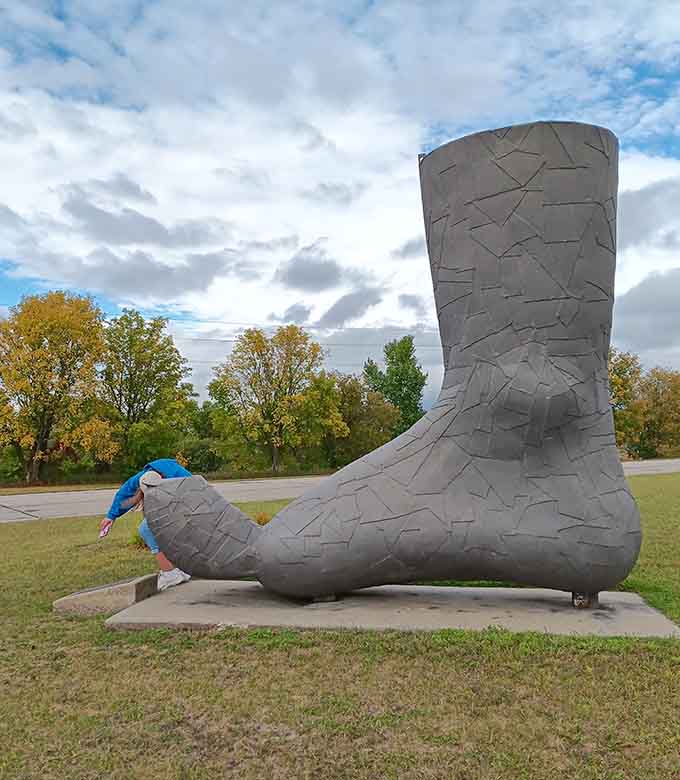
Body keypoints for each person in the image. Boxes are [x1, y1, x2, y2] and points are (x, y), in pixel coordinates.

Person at [99, 458, 192, 591]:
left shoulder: (181, 478)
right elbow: (124, 493)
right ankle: (180, 569)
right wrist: (111, 516)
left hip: (188, 506)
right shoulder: (141, 478)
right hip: (175, 506)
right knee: (153, 528)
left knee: (147, 529)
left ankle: (170, 573)